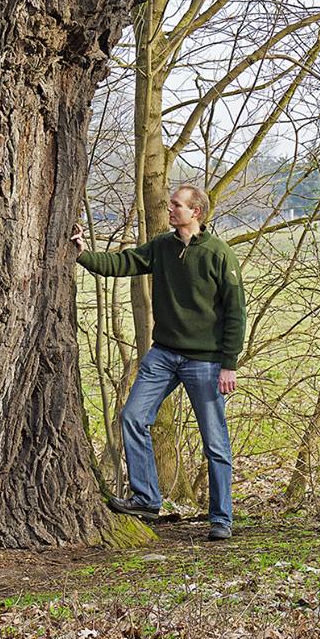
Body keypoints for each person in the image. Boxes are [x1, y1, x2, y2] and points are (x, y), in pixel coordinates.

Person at [72, 183, 245, 540]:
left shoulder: (219, 254)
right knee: (132, 416)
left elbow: (235, 312)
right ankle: (147, 498)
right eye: (169, 204)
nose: (170, 210)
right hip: (164, 354)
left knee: (215, 442)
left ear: (195, 212)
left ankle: (221, 518)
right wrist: (82, 254)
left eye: (176, 205)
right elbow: (123, 263)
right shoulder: (162, 247)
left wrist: (229, 364)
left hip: (206, 361)